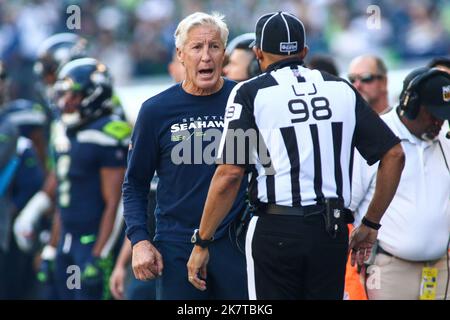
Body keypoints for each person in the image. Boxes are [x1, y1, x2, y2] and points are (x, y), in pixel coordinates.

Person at [187, 11, 405, 300]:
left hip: (277, 226)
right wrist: (370, 224)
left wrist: (202, 241)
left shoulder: (249, 93)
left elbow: (230, 173)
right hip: (332, 228)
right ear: (304, 51)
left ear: (258, 53)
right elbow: (395, 154)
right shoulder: (340, 88)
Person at [123, 12, 248, 300]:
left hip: (235, 241)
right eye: (197, 47)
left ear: (224, 54)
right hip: (177, 244)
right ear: (181, 54)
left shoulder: (244, 99)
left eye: (214, 47)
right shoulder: (155, 110)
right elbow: (135, 184)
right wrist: (139, 240)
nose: (206, 56)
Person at [350, 67, 450, 300]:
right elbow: (350, 203)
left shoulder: (444, 139)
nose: (440, 121)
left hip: (440, 267)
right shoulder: (375, 133)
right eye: (434, 114)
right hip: (388, 267)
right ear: (411, 104)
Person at [50, 57, 131, 299]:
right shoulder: (69, 130)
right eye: (64, 95)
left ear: (94, 95)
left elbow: (117, 203)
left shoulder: (109, 131)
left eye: (74, 95)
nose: (67, 102)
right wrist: (50, 247)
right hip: (68, 239)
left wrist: (100, 252)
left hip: (93, 241)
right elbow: (64, 194)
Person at [109, 52, 185, 300]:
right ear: (174, 67)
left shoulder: (232, 105)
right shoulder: (158, 112)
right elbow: (137, 203)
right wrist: (123, 261)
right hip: (160, 252)